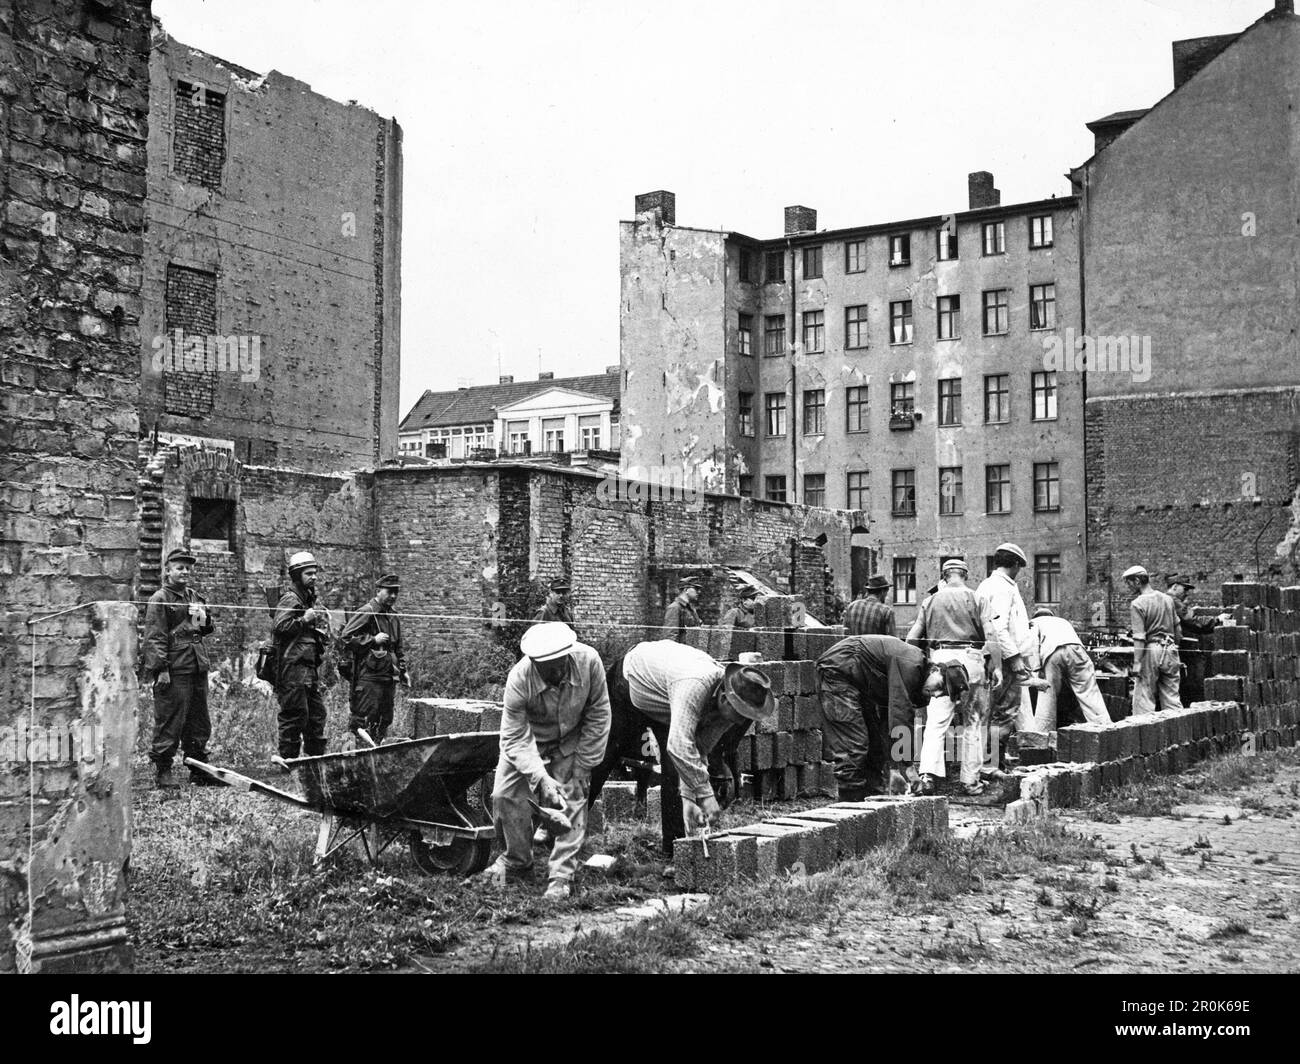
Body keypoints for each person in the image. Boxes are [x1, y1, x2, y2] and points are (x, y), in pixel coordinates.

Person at [589, 640, 775, 859]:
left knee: (674, 769)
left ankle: (675, 852)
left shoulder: (729, 709)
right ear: (725, 699)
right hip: (631, 682)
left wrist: (689, 797)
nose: (742, 721)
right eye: (741, 714)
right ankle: (567, 824)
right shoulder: (695, 685)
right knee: (606, 755)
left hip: (667, 701)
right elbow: (679, 747)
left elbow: (697, 751)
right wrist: (706, 796)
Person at [481, 622, 610, 900]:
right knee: (504, 794)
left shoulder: (589, 661)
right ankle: (517, 861)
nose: (558, 670)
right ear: (534, 662)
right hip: (529, 743)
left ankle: (561, 875)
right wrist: (540, 778)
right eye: (549, 667)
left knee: (573, 796)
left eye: (561, 662)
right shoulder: (519, 678)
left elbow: (599, 712)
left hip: (570, 740)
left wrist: (584, 763)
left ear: (568, 652)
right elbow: (514, 738)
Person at [814, 634, 948, 800]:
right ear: (935, 670)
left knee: (875, 746)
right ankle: (849, 808)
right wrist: (907, 767)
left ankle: (874, 806)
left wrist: (894, 766)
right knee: (853, 745)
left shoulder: (915, 677)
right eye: (940, 686)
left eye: (942, 694)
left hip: (857, 679)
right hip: (839, 670)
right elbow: (900, 714)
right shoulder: (911, 664)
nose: (936, 694)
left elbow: (888, 720)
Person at [905, 559, 999, 796]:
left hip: (941, 661)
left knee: (936, 722)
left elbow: (912, 638)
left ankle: (927, 776)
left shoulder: (930, 600)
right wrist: (996, 666)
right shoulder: (977, 598)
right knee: (973, 722)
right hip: (971, 660)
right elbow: (990, 634)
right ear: (965, 575)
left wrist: (914, 668)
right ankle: (970, 781)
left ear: (944, 576)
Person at [143, 547, 216, 788]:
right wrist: (161, 669)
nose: (184, 572)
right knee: (170, 719)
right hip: (174, 668)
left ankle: (198, 768)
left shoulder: (194, 597)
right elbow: (155, 636)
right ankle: (164, 770)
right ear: (168, 570)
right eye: (179, 567)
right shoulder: (159, 599)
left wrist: (201, 616)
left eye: (187, 568)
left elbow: (203, 630)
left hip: (196, 665)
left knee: (199, 720)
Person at [977, 543, 1035, 766]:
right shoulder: (1003, 588)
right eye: (1019, 567)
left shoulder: (987, 585)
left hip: (991, 657)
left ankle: (988, 762)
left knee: (989, 712)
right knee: (1005, 712)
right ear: (1015, 564)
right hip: (1003, 660)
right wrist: (1014, 657)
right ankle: (994, 764)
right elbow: (998, 628)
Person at [273, 551, 332, 760]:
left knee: (316, 715)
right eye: (308, 573)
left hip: (307, 669)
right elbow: (279, 626)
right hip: (292, 669)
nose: (314, 577)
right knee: (294, 714)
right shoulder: (291, 598)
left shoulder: (307, 598)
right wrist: (304, 621)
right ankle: (289, 761)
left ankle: (315, 760)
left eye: (315, 573)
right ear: (297, 575)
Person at [340, 574, 410, 744]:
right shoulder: (367, 611)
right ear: (378, 591)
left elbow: (397, 648)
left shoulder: (393, 616)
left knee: (384, 720)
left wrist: (403, 671)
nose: (393, 596)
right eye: (389, 592)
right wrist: (373, 640)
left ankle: (377, 757)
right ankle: (356, 756)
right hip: (369, 677)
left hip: (388, 676)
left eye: (396, 592)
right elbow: (346, 637)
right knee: (364, 720)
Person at [1028, 607, 1112, 731]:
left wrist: (1035, 673)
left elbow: (1033, 646)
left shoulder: (1033, 623)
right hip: (1078, 650)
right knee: (1089, 691)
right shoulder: (1063, 621)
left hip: (1053, 652)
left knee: (1047, 693)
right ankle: (1105, 727)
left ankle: (1042, 735)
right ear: (1052, 615)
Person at [1124, 564, 1182, 715]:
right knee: (1172, 700)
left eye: (1129, 582)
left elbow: (1139, 637)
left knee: (1144, 699)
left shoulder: (1138, 603)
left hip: (1151, 651)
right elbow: (1178, 630)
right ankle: (1178, 736)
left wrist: (1137, 663)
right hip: (1170, 649)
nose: (1128, 586)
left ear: (1137, 581)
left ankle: (1143, 737)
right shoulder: (1167, 599)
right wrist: (1174, 650)